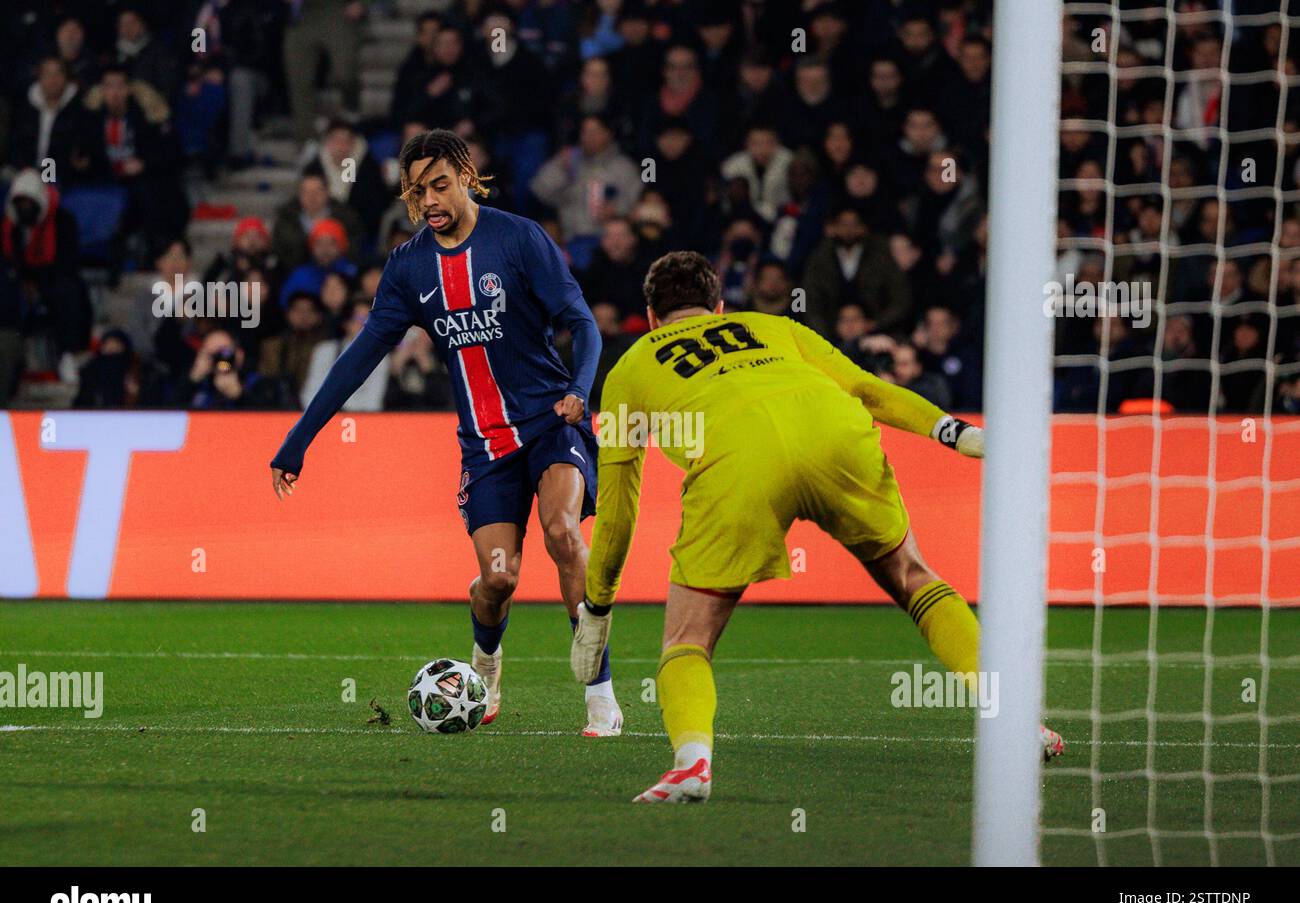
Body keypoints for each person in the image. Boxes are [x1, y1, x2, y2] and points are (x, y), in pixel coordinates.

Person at [570, 251, 1063, 803]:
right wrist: (949, 430)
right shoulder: (774, 326)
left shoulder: (629, 369)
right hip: (835, 434)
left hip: (737, 466)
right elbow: (868, 390)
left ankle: (692, 763)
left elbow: (618, 509)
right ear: (719, 306)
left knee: (688, 640)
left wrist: (597, 608)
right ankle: (1018, 724)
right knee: (915, 579)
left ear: (653, 316)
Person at [269, 129, 622, 736]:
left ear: (465, 174)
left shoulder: (518, 237)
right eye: (416, 191)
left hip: (548, 422)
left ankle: (600, 693)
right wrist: (298, 440)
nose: (429, 200)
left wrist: (579, 390)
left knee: (563, 532)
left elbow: (582, 324)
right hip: (484, 449)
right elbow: (359, 358)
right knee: (499, 579)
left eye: (439, 184)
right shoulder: (409, 268)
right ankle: (486, 662)